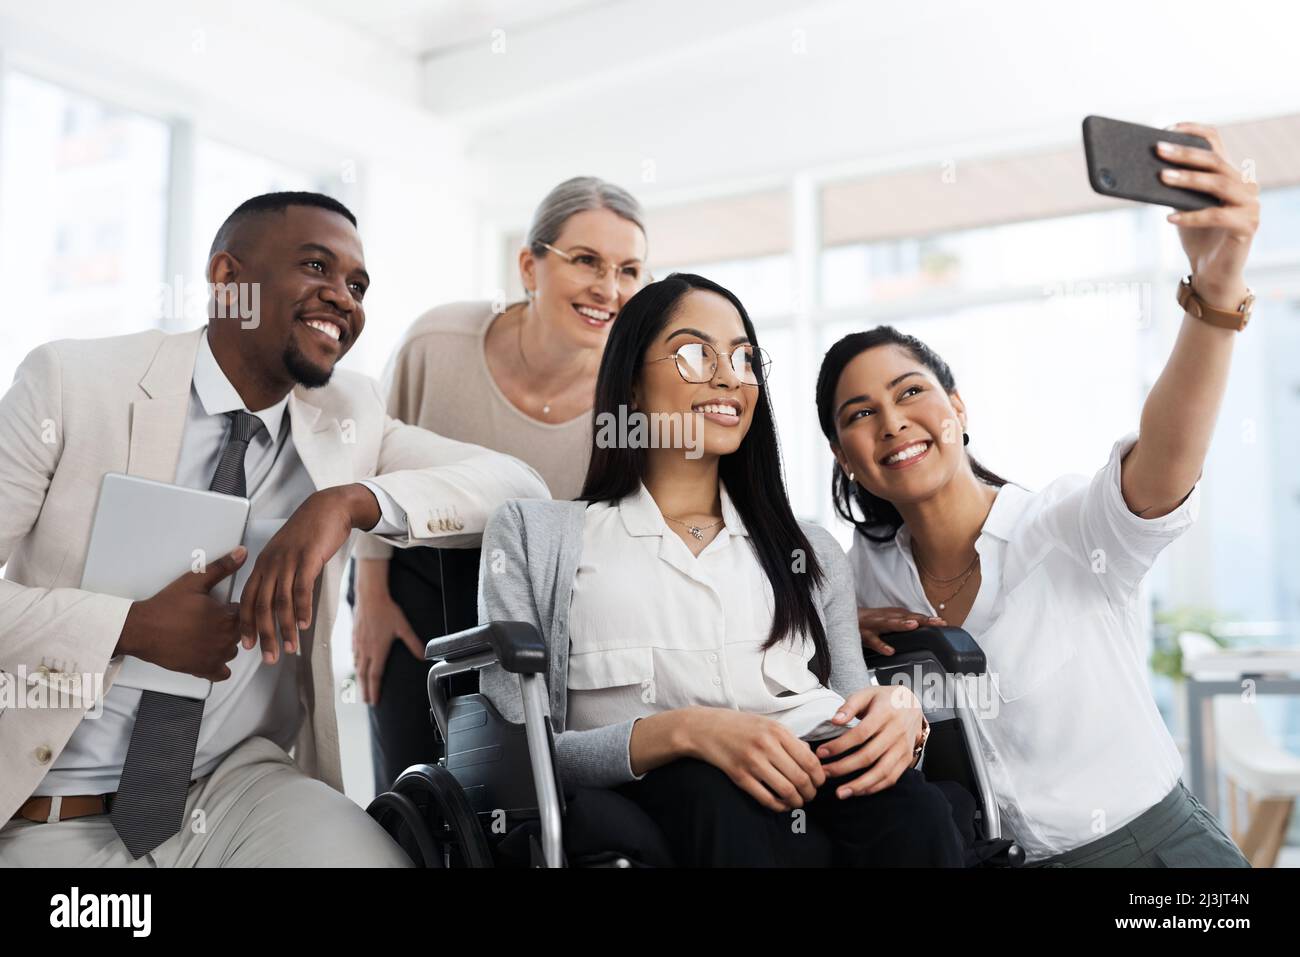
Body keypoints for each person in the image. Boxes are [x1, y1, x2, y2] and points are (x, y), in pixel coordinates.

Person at [0, 191, 548, 867]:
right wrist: (131, 625)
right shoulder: (72, 383)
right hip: (51, 808)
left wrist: (347, 502)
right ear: (228, 280)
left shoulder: (348, 417)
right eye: (316, 267)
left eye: (357, 285)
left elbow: (518, 485)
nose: (344, 298)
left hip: (238, 792)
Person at [815, 124, 1255, 868]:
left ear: (958, 409)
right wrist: (836, 629)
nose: (891, 422)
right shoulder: (855, 577)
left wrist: (1213, 295)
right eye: (859, 414)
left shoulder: (1062, 526)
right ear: (844, 457)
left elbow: (1167, 461)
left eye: (911, 392)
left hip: (1153, 854)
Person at [477, 272, 966, 867]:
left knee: (915, 812)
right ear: (631, 381)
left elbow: (852, 702)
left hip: (813, 758)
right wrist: (687, 732)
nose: (730, 376)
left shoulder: (807, 548)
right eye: (693, 353)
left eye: (743, 358)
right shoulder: (538, 537)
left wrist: (900, 712)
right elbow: (511, 756)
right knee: (712, 797)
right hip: (672, 786)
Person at [351, 177, 648, 794]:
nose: (608, 288)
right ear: (530, 267)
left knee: (513, 800)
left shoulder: (633, 397)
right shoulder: (437, 343)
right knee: (411, 789)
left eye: (628, 270)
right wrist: (370, 600)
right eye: (586, 261)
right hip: (414, 582)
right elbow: (371, 463)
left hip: (544, 609)